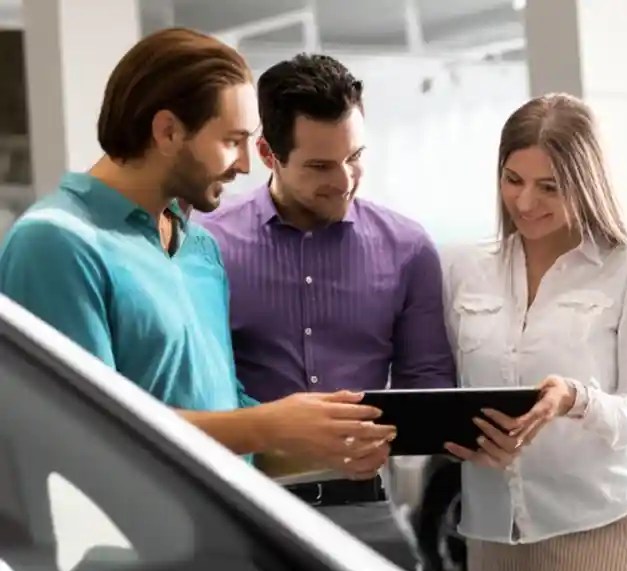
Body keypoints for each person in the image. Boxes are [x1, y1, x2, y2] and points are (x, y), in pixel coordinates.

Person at [0, 28, 394, 479]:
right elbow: (84, 428)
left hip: (215, 542)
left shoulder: (199, 247)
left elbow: (227, 419)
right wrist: (267, 425)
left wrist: (322, 448)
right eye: (232, 141)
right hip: (115, 549)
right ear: (168, 131)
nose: (246, 164)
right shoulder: (55, 243)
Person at [441, 93, 627, 571]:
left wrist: (576, 399)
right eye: (513, 180)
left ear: (585, 182)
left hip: (599, 532)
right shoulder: (466, 270)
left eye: (549, 186)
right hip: (491, 538)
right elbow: (444, 386)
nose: (525, 202)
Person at [192, 53, 455, 571]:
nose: (344, 180)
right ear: (267, 153)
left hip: (363, 508)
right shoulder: (207, 246)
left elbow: (428, 388)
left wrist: (388, 437)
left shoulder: (409, 248)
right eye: (318, 166)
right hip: (240, 507)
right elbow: (196, 384)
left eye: (354, 156)